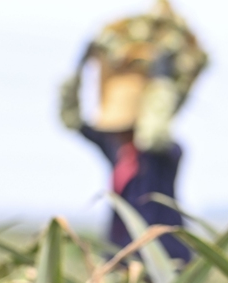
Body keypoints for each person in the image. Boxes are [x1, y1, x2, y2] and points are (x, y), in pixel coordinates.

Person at [59, 1, 207, 264]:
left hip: (165, 257)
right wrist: (78, 72)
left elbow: (153, 135)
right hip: (121, 255)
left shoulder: (166, 153)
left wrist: (160, 84)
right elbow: (72, 120)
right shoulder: (115, 150)